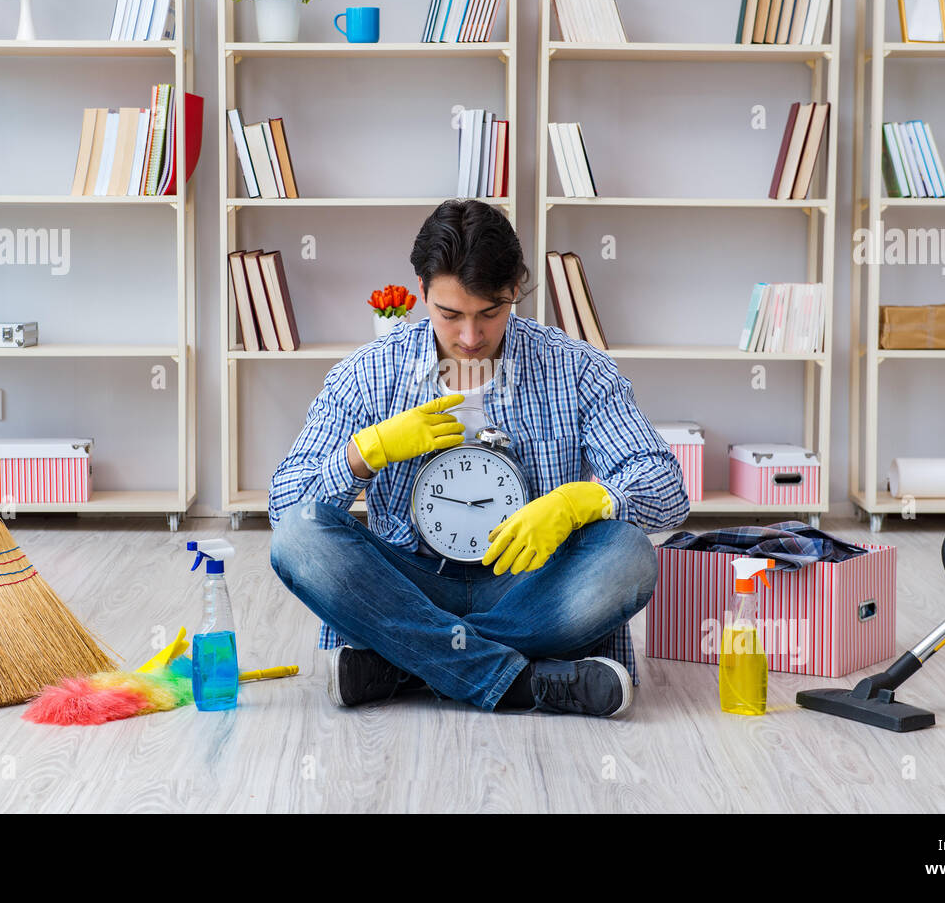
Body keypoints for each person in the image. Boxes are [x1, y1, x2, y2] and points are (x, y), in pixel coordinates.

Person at [269, 199, 689, 717]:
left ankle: (406, 663)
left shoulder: (575, 367)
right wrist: (365, 453)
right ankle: (523, 681)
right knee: (300, 536)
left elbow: (667, 491)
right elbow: (284, 507)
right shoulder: (369, 373)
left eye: (490, 312)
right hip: (409, 586)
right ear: (421, 292)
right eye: (450, 315)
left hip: (531, 587)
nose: (471, 337)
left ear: (516, 290)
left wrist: (583, 502)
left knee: (627, 554)